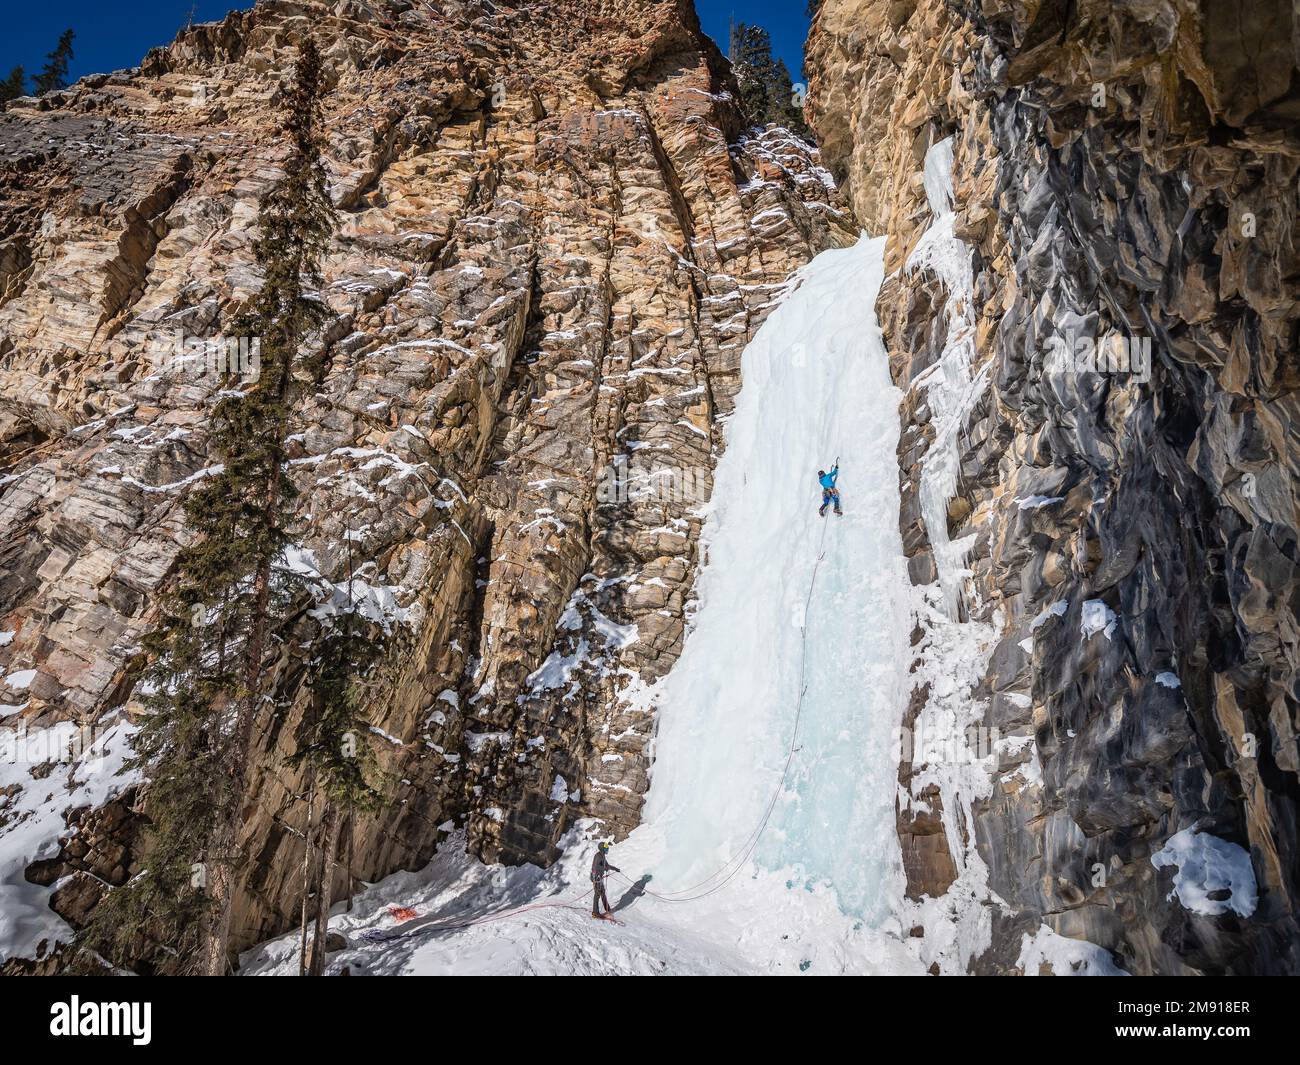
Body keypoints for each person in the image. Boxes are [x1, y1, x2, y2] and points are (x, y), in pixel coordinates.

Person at [590, 841, 620, 919]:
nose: (607, 850)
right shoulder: (598, 856)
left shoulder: (602, 856)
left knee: (602, 893)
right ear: (602, 849)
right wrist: (603, 869)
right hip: (596, 878)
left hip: (599, 878)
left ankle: (608, 909)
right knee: (597, 895)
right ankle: (595, 913)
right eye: (606, 849)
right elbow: (595, 867)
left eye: (607, 849)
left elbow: (606, 865)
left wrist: (615, 869)